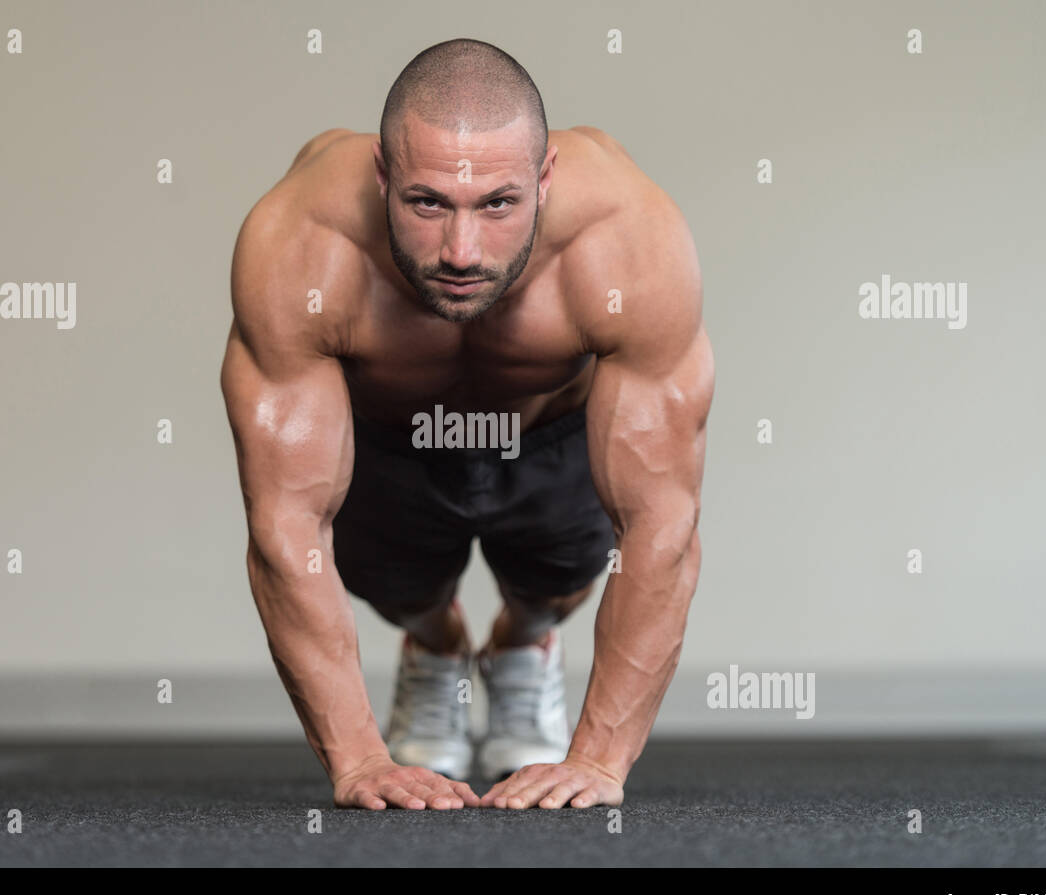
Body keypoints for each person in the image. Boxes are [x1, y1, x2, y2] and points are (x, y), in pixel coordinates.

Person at [220, 38, 713, 810]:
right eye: (426, 204)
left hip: (551, 434)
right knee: (395, 586)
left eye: (498, 204)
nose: (461, 250)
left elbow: (662, 525)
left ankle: (522, 643)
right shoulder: (302, 244)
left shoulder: (627, 241)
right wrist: (356, 761)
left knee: (557, 577)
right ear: (382, 175)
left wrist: (599, 761)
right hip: (391, 442)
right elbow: (285, 526)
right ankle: (437, 643)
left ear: (544, 178)